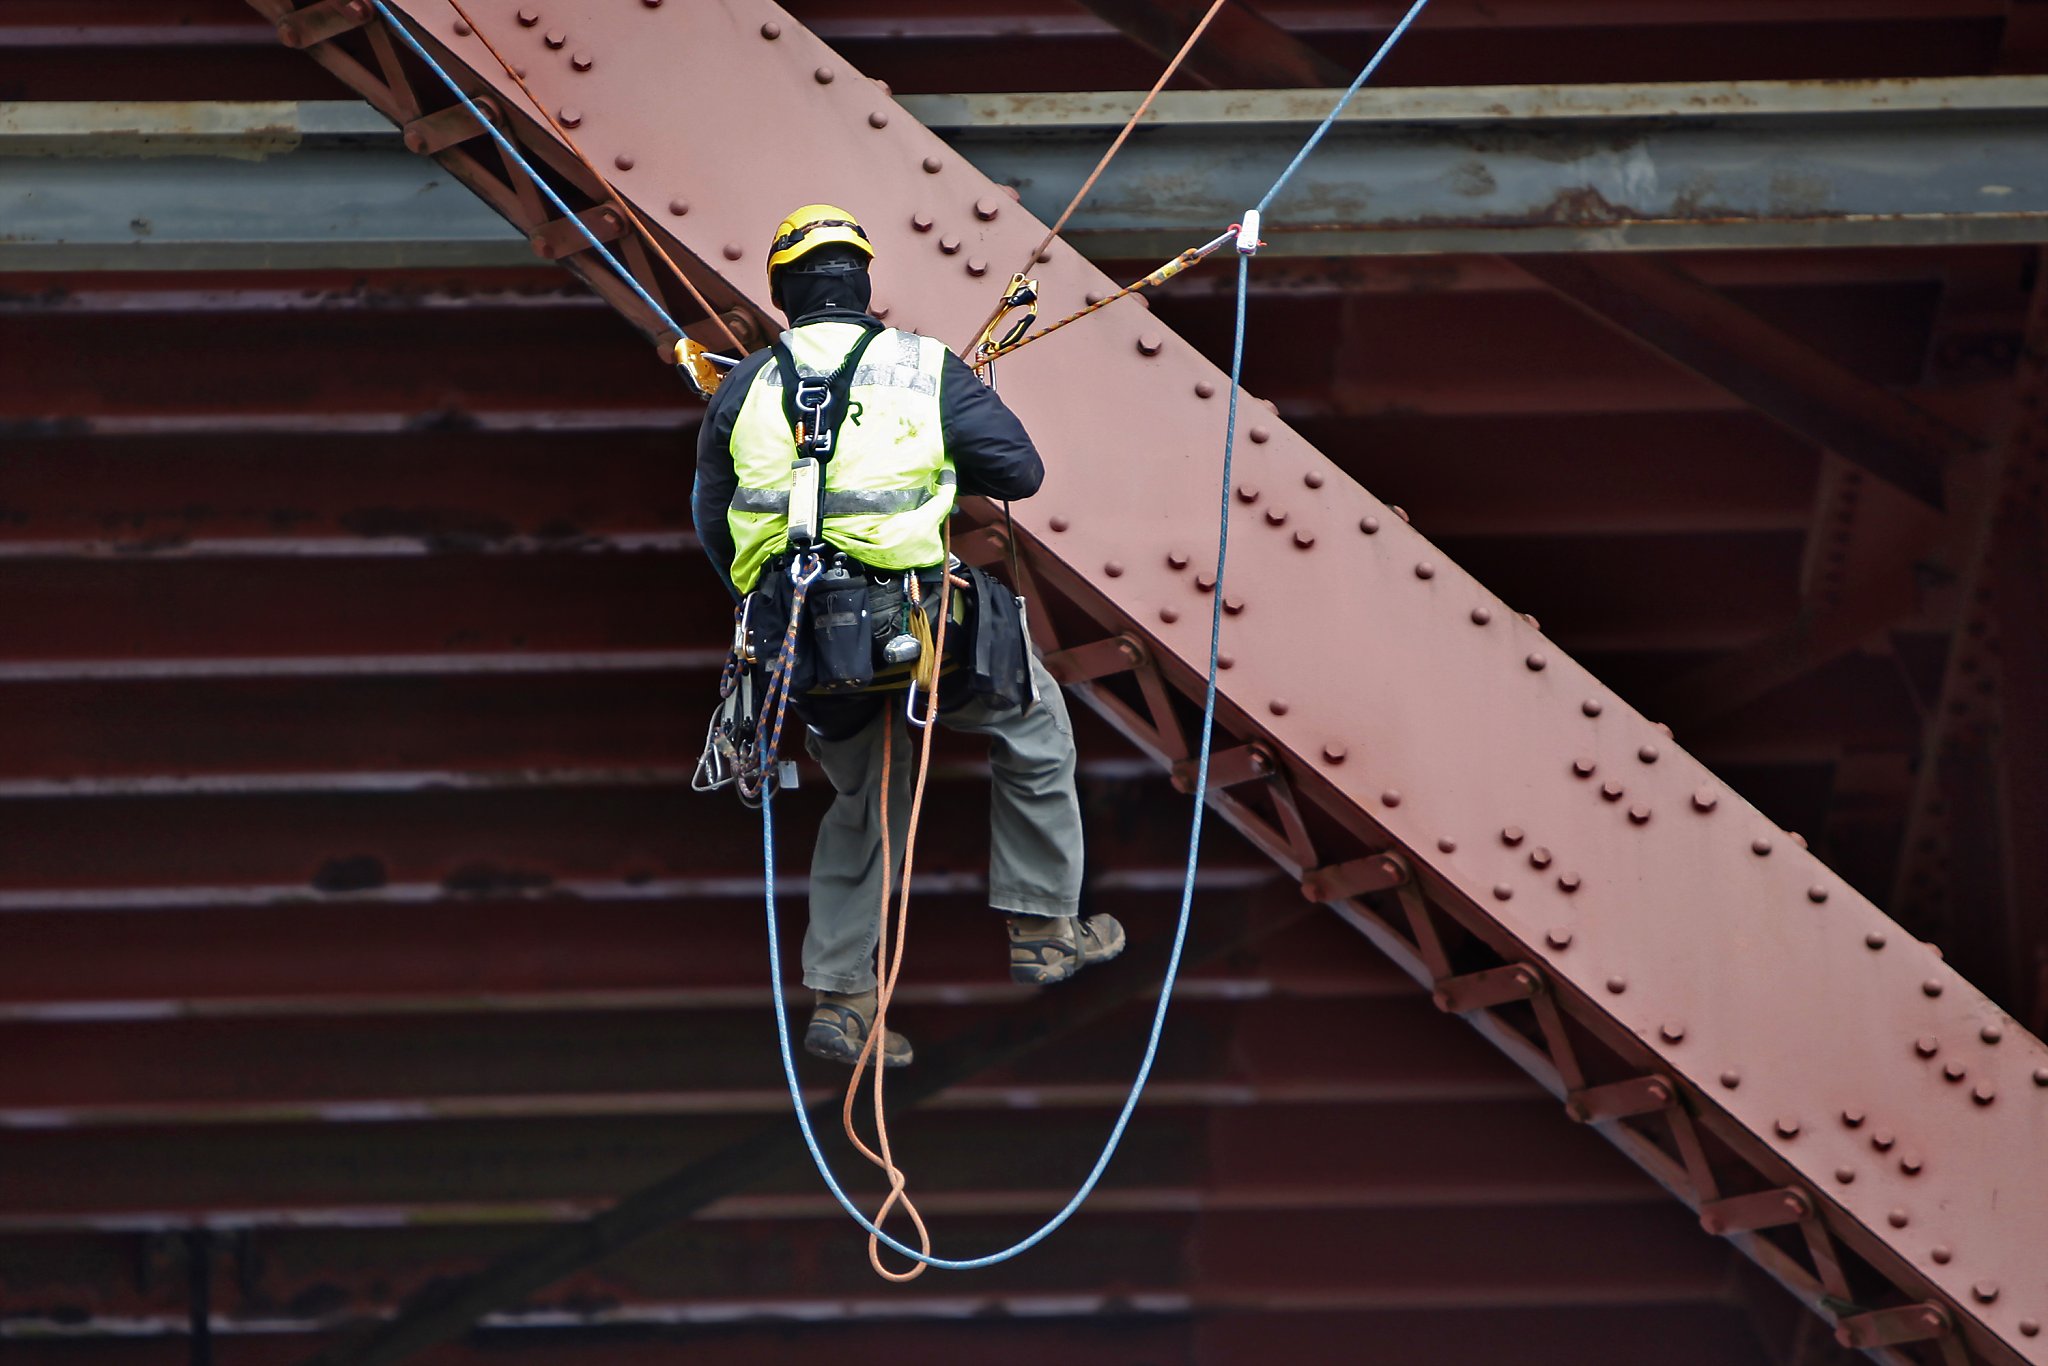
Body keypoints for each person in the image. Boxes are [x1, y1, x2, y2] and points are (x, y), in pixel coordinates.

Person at [693, 204, 1125, 1068]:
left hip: (799, 648)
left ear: (782, 296)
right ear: (861, 284)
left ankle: (844, 1000)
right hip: (919, 629)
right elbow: (1020, 474)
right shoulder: (923, 367)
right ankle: (1045, 927)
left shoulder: (742, 385)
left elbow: (714, 521)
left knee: (864, 801)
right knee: (1034, 729)